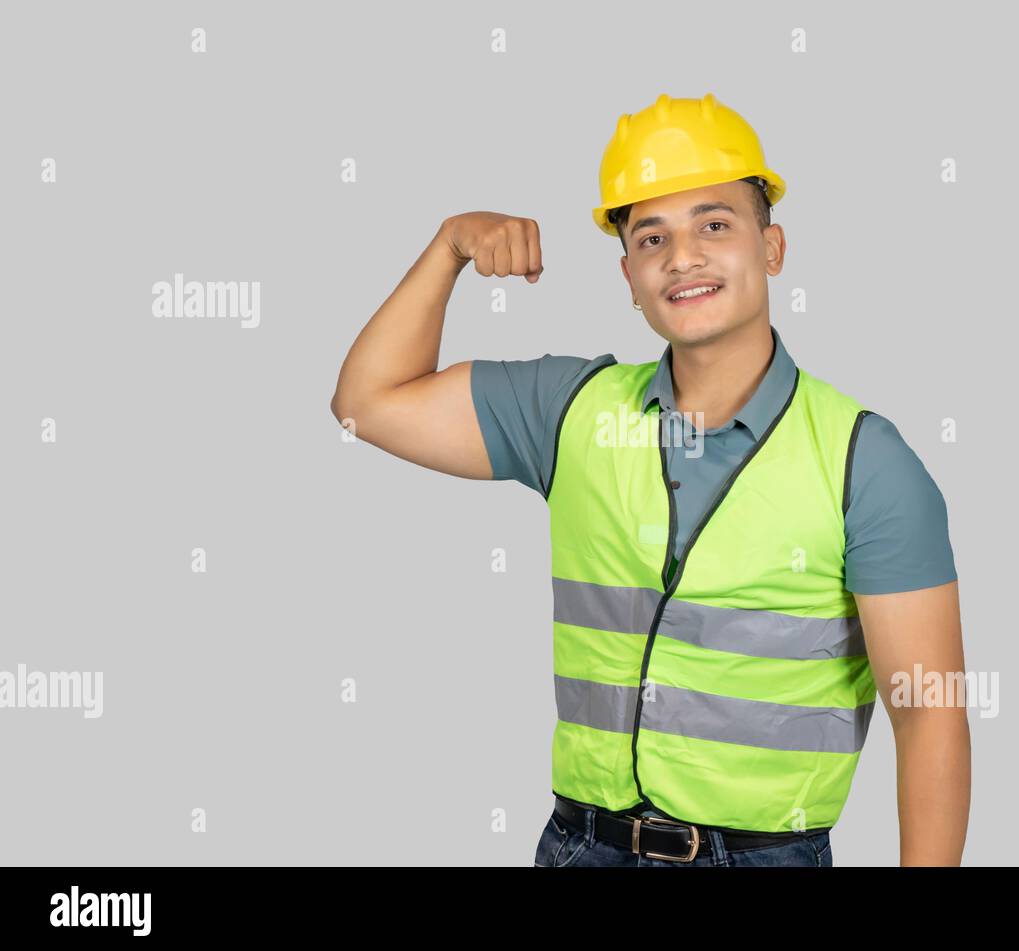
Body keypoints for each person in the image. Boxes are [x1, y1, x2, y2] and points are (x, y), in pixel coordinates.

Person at [330, 93, 970, 867]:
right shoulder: (567, 411)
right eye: (652, 237)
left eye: (715, 224)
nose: (683, 257)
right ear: (628, 275)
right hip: (580, 846)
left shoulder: (866, 461)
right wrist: (450, 246)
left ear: (773, 248)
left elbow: (929, 715)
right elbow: (367, 403)